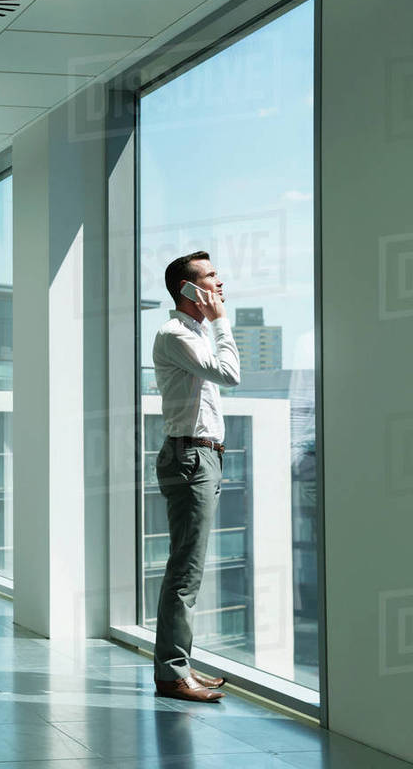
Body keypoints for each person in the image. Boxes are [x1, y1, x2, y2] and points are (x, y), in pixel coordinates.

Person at [151, 250, 241, 703]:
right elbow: (229, 374)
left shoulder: (194, 333)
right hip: (190, 459)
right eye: (210, 277)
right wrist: (223, 320)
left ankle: (179, 665)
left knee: (190, 568)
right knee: (185, 570)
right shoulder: (174, 334)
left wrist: (212, 324)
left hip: (201, 456)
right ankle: (171, 674)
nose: (219, 283)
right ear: (187, 289)